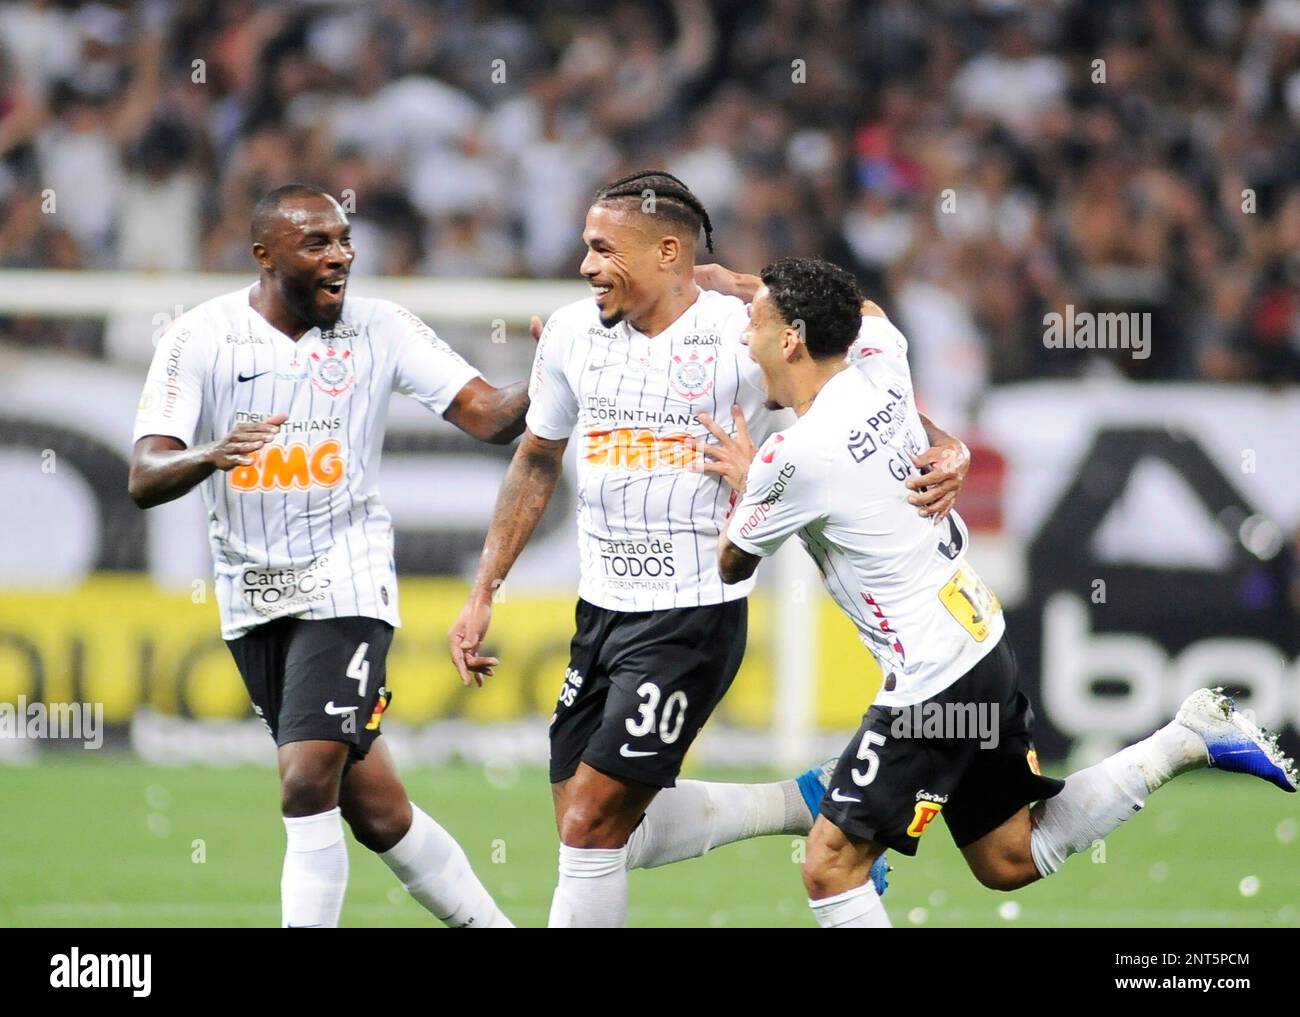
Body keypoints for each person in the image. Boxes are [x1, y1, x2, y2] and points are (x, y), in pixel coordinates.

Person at [702, 256, 1298, 929]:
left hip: (931, 681)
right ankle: (1187, 739)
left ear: (791, 339)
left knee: (831, 865)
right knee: (1011, 855)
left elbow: (732, 562)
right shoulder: (881, 356)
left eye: (753, 324)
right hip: (980, 640)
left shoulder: (794, 456)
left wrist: (750, 480)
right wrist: (745, 287)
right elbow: (856, 308)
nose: (743, 341)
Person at [448, 170, 969, 927]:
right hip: (601, 610)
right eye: (585, 247)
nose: (586, 265)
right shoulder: (568, 332)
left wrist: (945, 441)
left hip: (694, 612)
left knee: (590, 821)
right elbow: (536, 456)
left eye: (602, 248)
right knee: (593, 826)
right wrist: (485, 587)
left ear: (668, 252)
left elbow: (862, 335)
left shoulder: (740, 327)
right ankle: (801, 801)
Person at [128, 183, 527, 928]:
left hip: (347, 585)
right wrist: (214, 452)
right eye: (318, 243)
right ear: (265, 255)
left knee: (306, 777)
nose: (340, 254)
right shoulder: (200, 336)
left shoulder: (380, 328)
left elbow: (489, 415)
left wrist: (566, 367)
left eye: (344, 240)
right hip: (253, 600)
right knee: (378, 813)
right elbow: (144, 474)